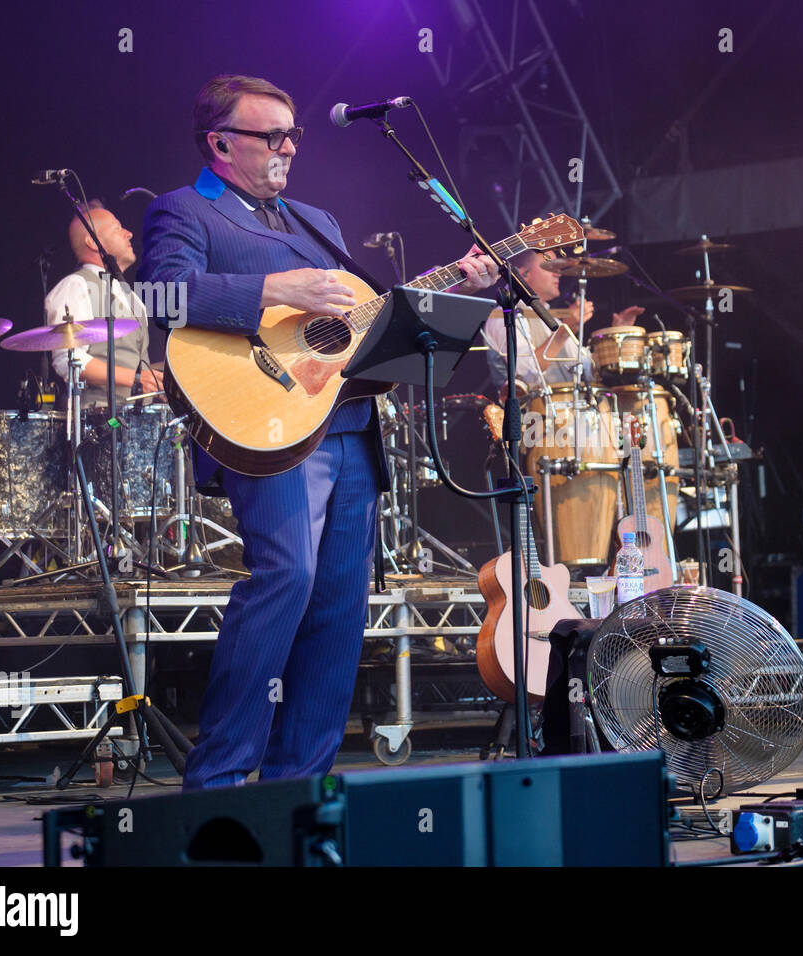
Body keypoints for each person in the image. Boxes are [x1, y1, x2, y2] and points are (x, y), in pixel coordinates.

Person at [138, 74, 499, 790]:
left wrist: (451, 287)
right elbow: (161, 294)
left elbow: (355, 328)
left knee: (339, 602)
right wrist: (277, 290)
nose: (288, 147)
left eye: (293, 133)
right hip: (266, 430)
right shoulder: (183, 211)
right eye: (271, 135)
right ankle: (216, 781)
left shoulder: (316, 222)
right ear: (220, 143)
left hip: (348, 424)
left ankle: (299, 787)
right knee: (287, 578)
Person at [43, 203, 163, 406]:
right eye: (117, 228)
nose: (129, 233)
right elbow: (69, 360)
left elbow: (141, 367)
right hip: (97, 422)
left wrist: (157, 385)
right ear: (92, 241)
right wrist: (135, 379)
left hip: (138, 423)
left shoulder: (133, 299)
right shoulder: (76, 286)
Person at [482, 249, 643, 397]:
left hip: (568, 416)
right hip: (533, 420)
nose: (557, 274)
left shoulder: (552, 319)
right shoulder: (502, 316)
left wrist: (615, 335)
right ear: (524, 274)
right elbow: (527, 373)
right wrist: (565, 329)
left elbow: (588, 370)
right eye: (549, 266)